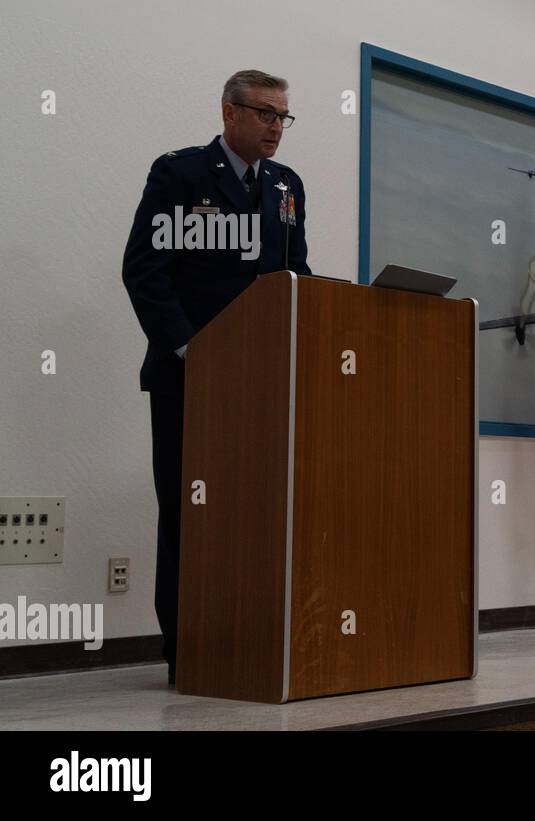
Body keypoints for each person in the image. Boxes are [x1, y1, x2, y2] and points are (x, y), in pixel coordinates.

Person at [121, 69, 311, 685]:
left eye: (283, 117)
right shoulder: (178, 174)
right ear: (229, 113)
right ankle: (190, 652)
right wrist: (192, 351)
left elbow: (294, 275)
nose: (276, 128)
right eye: (264, 114)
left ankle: (252, 641)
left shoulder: (286, 186)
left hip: (260, 382)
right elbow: (146, 271)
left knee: (257, 512)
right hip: (191, 380)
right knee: (190, 513)